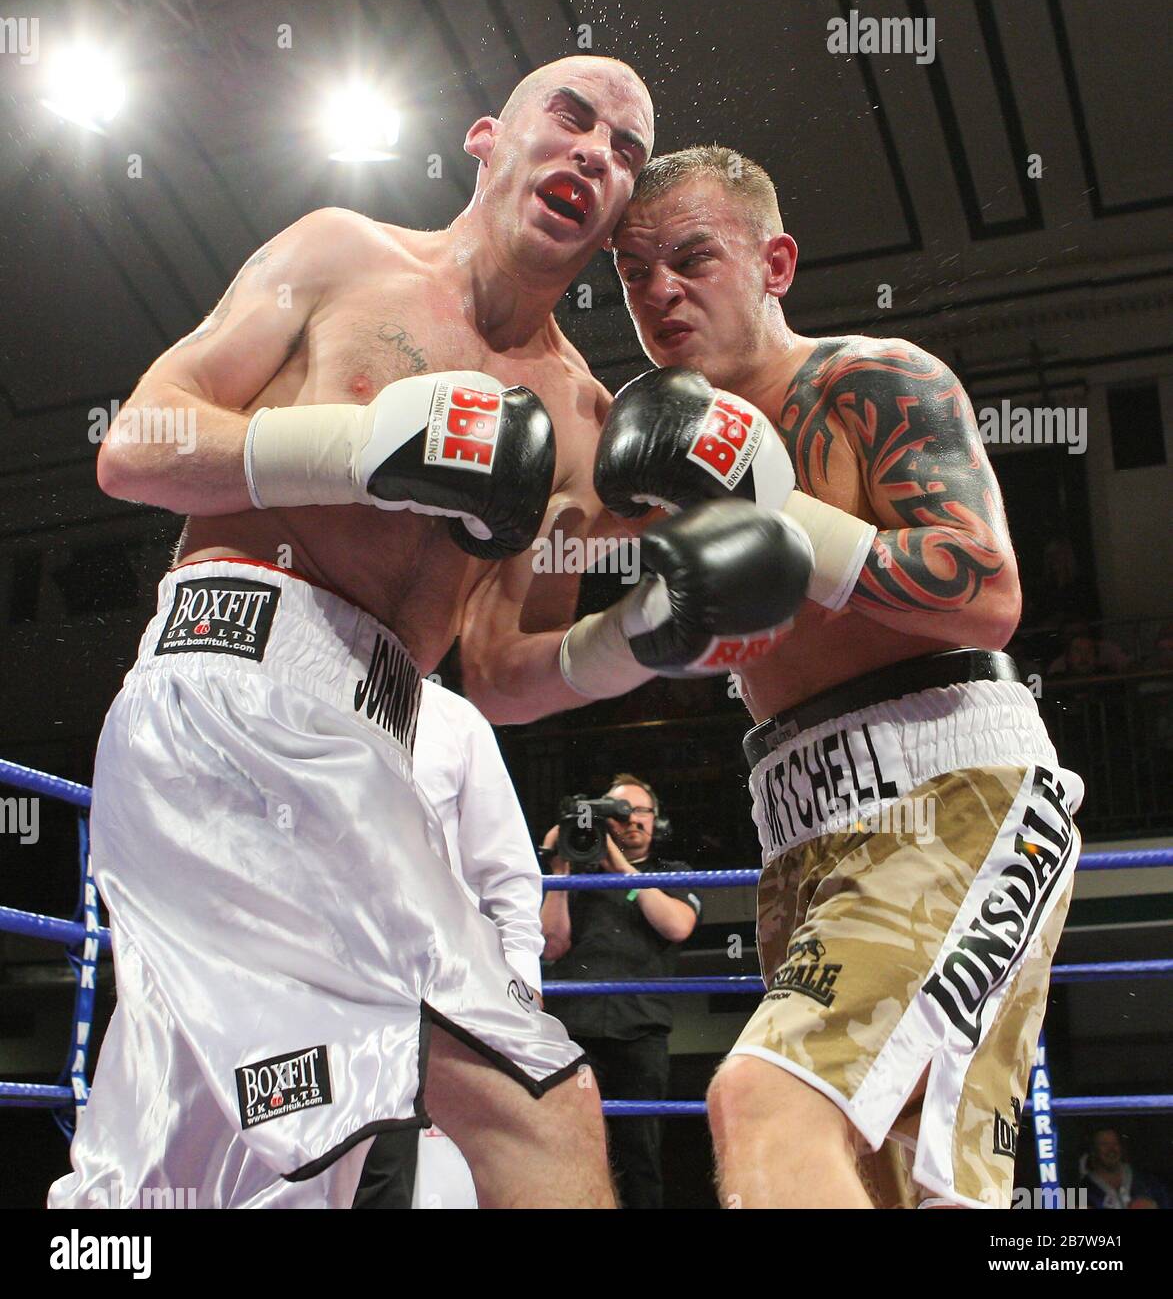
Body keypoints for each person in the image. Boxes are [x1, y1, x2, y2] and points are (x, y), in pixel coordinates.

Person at [50, 56, 670, 1210]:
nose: (596, 152)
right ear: (488, 137)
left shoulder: (578, 421)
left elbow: (498, 673)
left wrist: (646, 637)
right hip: (230, 681)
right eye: (572, 119)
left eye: (626, 149)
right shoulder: (342, 254)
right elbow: (134, 441)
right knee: (538, 1105)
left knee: (220, 1179)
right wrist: (359, 449)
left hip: (367, 745)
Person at [587, 144, 1086, 1209]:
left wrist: (783, 519)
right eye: (633, 272)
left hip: (950, 788)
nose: (659, 289)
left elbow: (986, 586)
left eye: (691, 257)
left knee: (763, 1098)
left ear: (776, 262)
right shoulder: (672, 458)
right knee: (898, 1182)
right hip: (797, 822)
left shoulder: (869, 377)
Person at [354, 676, 543, 1210]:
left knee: (411, 1175)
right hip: (313, 986)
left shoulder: (451, 718)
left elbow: (506, 871)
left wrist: (523, 985)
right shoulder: (286, 695)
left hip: (430, 991)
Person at [540, 774, 700, 1208]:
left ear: (656, 820)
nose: (630, 822)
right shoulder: (577, 877)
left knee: (638, 1155)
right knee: (573, 1152)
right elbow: (552, 943)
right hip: (574, 1034)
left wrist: (620, 871)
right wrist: (560, 871)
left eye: (639, 812)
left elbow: (677, 924)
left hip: (640, 1034)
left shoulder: (672, 874)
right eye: (618, 813)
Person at [1080, 1127, 1171, 1209]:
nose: (1111, 1149)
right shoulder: (1082, 1189)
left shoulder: (1148, 1182)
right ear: (1093, 1150)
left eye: (1115, 1143)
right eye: (1104, 1144)